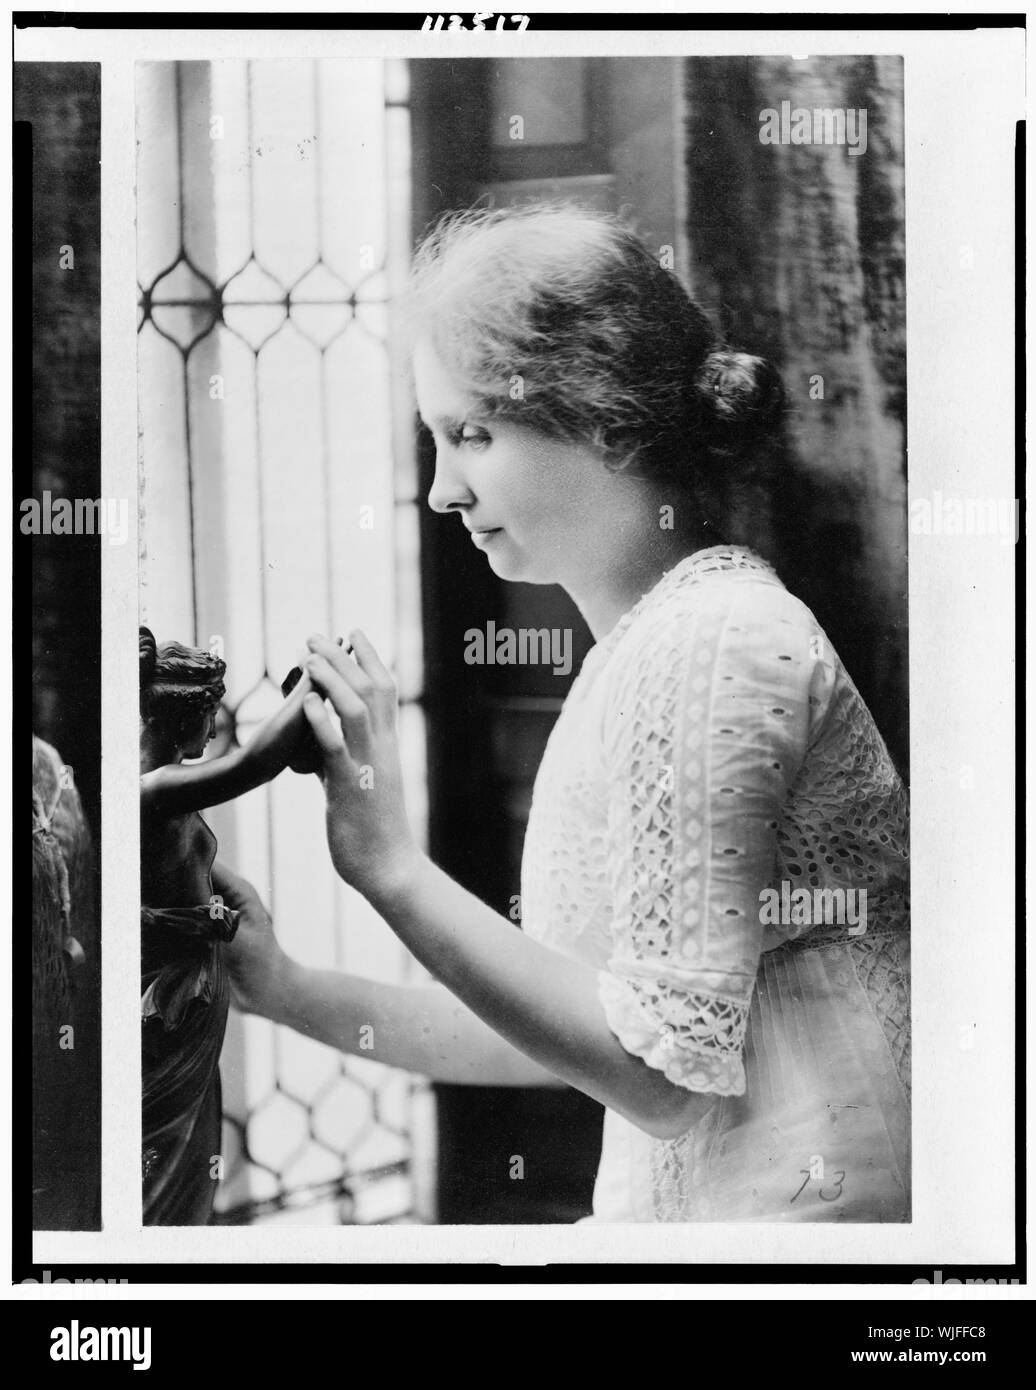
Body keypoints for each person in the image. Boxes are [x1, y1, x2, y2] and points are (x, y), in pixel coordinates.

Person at [222, 204, 910, 1223]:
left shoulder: (713, 640)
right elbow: (569, 1034)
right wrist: (282, 985)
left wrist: (388, 865)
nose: (442, 492)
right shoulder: (652, 647)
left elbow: (661, 1081)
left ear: (603, 417)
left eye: (471, 435)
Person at [139, 627, 312, 1224]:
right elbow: (255, 763)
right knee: (165, 1158)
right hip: (172, 998)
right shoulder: (152, 790)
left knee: (187, 1150)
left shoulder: (161, 791)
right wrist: (313, 685)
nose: (213, 732)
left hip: (194, 991)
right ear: (174, 720)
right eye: (208, 717)